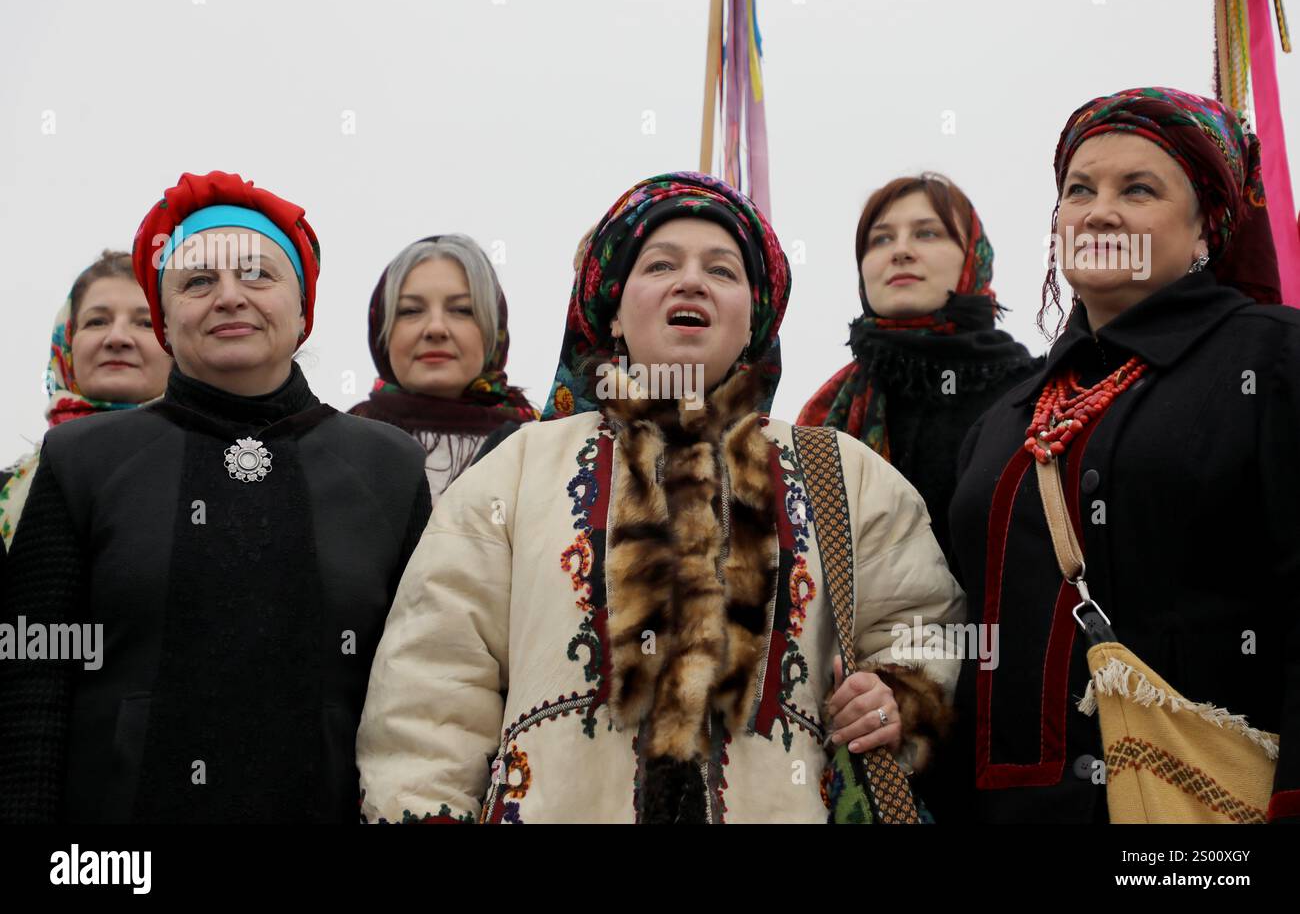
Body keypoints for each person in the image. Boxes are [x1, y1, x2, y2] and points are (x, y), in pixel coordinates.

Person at [356, 171, 964, 823]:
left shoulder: (844, 474)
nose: (691, 281)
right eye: (661, 264)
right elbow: (430, 689)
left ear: (755, 318)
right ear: (613, 311)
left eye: (722, 271)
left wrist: (897, 696)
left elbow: (926, 623)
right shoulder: (517, 469)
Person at [0, 171, 431, 823]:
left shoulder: (387, 467)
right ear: (165, 318)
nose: (229, 297)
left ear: (304, 308)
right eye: (198, 281)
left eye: (257, 275)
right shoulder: (83, 460)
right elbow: (33, 680)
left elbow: (426, 685)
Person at [948, 87, 1300, 823]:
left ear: (1208, 224)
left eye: (1138, 189)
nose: (1098, 211)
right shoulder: (1003, 419)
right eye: (1079, 190)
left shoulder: (1272, 357)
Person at [797, 174, 1039, 565]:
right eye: (881, 239)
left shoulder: (1031, 395)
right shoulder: (831, 411)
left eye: (927, 234)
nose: (901, 251)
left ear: (973, 258)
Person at [0, 251, 171, 554]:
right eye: (96, 321)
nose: (117, 337)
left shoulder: (210, 470)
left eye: (145, 323)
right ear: (67, 343)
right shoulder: (10, 486)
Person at [349, 234, 536, 503]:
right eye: (411, 311)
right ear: (382, 332)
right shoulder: (340, 445)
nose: (436, 328)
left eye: (461, 310)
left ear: (493, 332)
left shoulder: (536, 448)